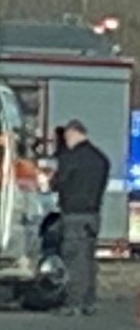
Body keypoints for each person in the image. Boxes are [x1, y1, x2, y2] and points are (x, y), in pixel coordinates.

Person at [51, 119, 110, 316]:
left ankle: (72, 303)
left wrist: (50, 181)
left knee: (73, 260)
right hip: (93, 215)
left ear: (73, 134)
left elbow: (58, 183)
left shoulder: (71, 158)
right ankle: (89, 301)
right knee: (88, 259)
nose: (65, 141)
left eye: (67, 137)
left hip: (73, 214)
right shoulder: (100, 159)